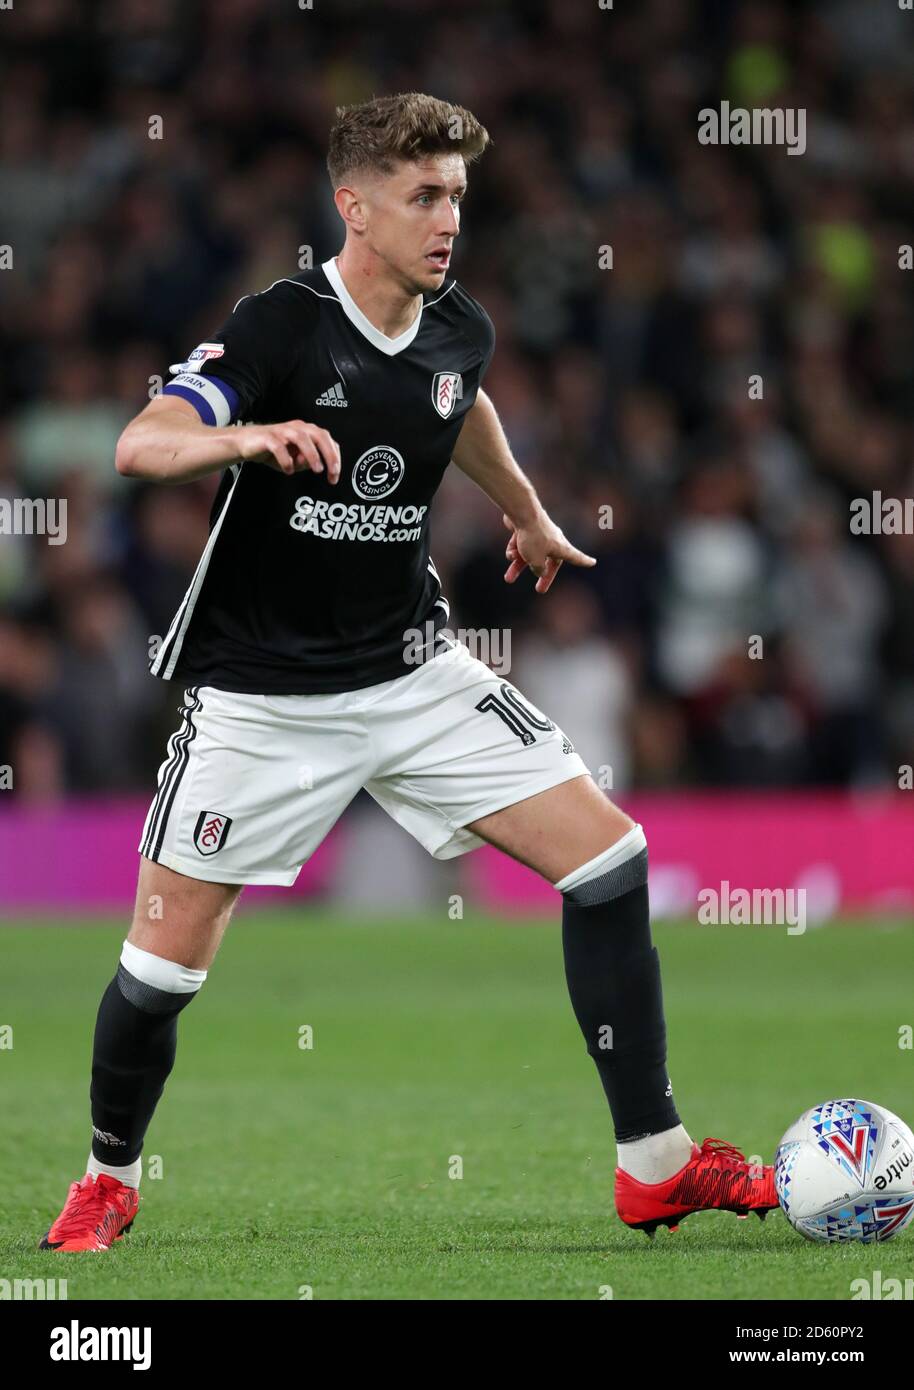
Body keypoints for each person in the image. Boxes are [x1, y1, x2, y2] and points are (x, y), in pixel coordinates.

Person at [40, 92, 774, 1252]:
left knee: (610, 859)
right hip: (261, 700)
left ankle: (654, 1164)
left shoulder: (455, 328)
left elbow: (457, 404)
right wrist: (243, 438)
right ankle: (107, 1174)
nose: (447, 221)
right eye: (425, 197)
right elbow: (141, 444)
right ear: (355, 208)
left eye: (458, 199)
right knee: (156, 972)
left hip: (410, 675)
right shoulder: (281, 325)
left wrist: (526, 512)